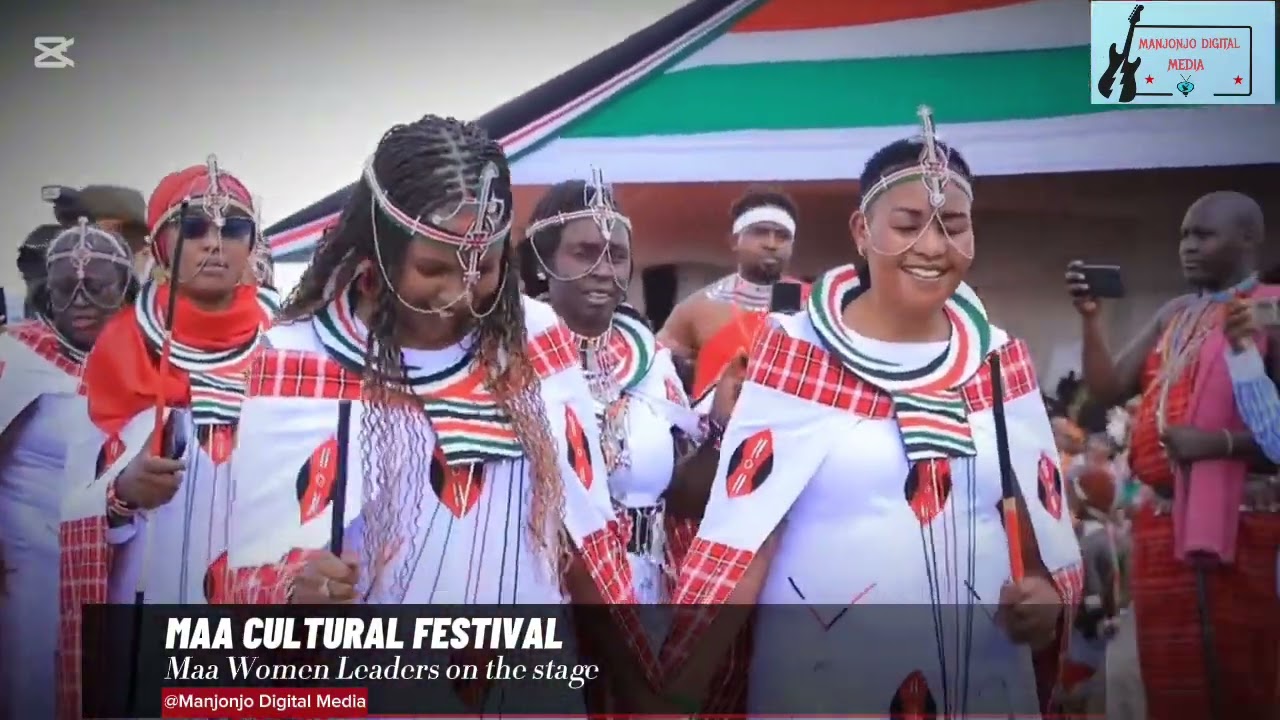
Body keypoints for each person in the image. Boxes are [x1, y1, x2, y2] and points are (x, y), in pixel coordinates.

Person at [223, 116, 657, 714]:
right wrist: (297, 590)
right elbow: (248, 570)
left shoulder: (537, 340)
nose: (461, 290)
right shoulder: (299, 358)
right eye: (434, 268)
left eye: (483, 266)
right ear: (382, 248)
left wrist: (635, 694)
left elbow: (586, 534)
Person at [660, 108, 1083, 719]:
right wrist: (678, 695)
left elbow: (1039, 528)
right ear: (862, 229)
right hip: (820, 676)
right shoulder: (796, 351)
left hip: (984, 672)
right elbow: (744, 539)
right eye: (909, 223)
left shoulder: (998, 359)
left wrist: (1044, 599)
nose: (933, 247)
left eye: (954, 226)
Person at [56, 157, 273, 719]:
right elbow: (67, 499)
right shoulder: (117, 348)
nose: (214, 242)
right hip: (149, 600)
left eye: (233, 228)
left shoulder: (293, 342)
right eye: (194, 226)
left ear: (253, 244)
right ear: (157, 245)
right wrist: (121, 494)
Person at [1065, 189, 1280, 719]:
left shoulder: (1270, 312)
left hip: (1244, 520)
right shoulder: (1176, 315)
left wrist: (1214, 446)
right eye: (1184, 234)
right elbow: (1106, 387)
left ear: (1249, 238)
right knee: (1170, 679)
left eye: (1203, 235)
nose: (1187, 246)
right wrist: (1091, 318)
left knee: (1236, 675)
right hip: (1163, 523)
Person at [520, 174, 707, 603]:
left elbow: (681, 492)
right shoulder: (510, 364)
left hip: (645, 589)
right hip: (547, 592)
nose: (603, 270)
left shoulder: (652, 364)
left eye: (617, 255)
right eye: (584, 253)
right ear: (540, 264)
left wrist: (720, 429)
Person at [0, 220, 134, 720]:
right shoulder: (14, 354)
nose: (79, 298)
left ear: (122, 289)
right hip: (29, 576)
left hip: (116, 573)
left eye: (96, 286)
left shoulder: (146, 361)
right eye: (64, 287)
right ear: (46, 292)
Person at [657, 186, 809, 410]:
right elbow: (658, 372)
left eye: (782, 236)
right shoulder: (698, 308)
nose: (771, 243)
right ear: (734, 240)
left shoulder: (816, 306)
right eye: (760, 231)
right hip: (717, 437)